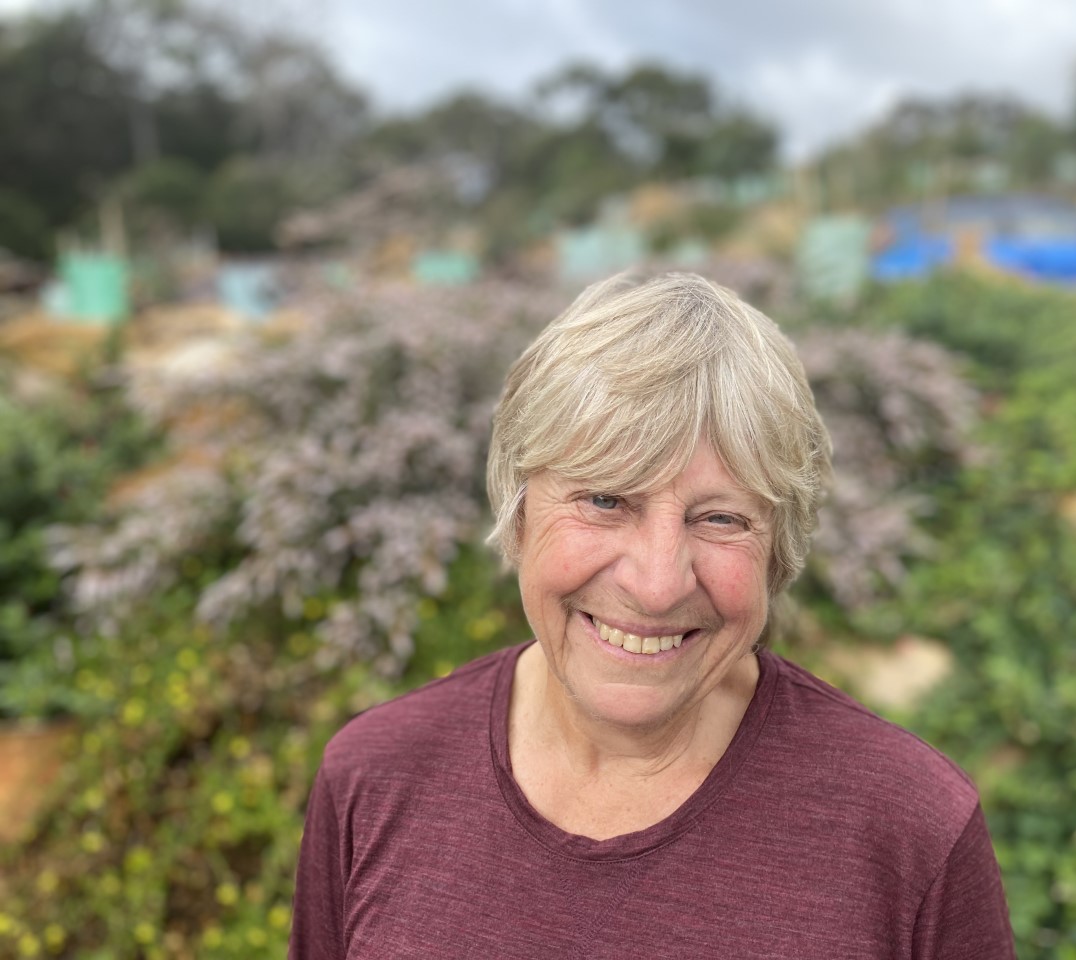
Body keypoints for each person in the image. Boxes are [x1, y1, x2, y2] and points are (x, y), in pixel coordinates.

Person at [289, 273, 1016, 959]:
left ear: (778, 548)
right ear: (516, 510)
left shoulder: (911, 830)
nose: (659, 584)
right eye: (606, 500)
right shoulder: (372, 778)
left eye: (722, 517)